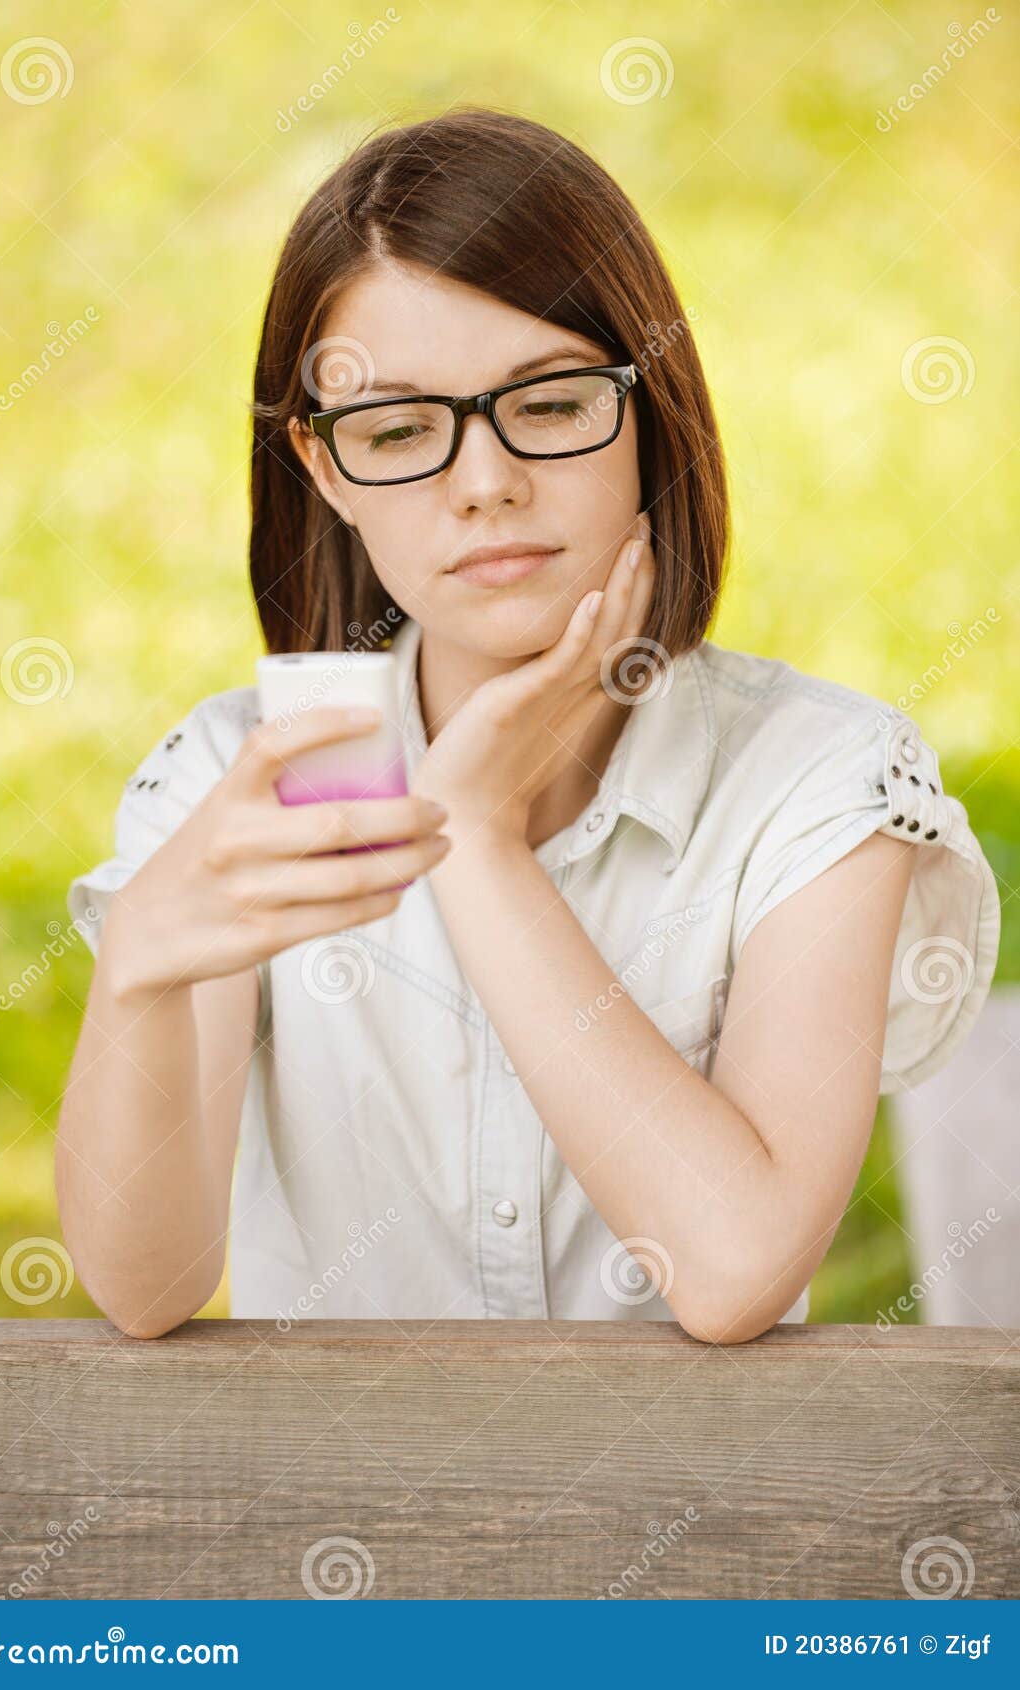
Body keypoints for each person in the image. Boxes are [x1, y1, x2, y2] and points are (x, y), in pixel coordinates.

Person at [57, 107, 1000, 1343]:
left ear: (650, 405)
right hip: (333, 1519)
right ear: (326, 470)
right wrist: (137, 972)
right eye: (398, 430)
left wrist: (480, 837)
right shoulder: (245, 780)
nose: (484, 482)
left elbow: (732, 1273)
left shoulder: (816, 779)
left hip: (708, 1526)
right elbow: (147, 1285)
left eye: (549, 405)